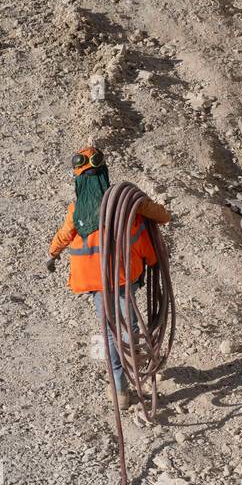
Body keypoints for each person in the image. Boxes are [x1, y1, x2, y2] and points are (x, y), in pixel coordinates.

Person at [48, 146, 170, 409]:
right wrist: (143, 205)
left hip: (96, 281)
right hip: (124, 277)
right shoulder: (127, 205)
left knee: (111, 331)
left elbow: (64, 234)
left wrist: (52, 253)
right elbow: (163, 217)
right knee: (128, 331)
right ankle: (135, 376)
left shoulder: (76, 210)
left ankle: (120, 390)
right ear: (104, 174)